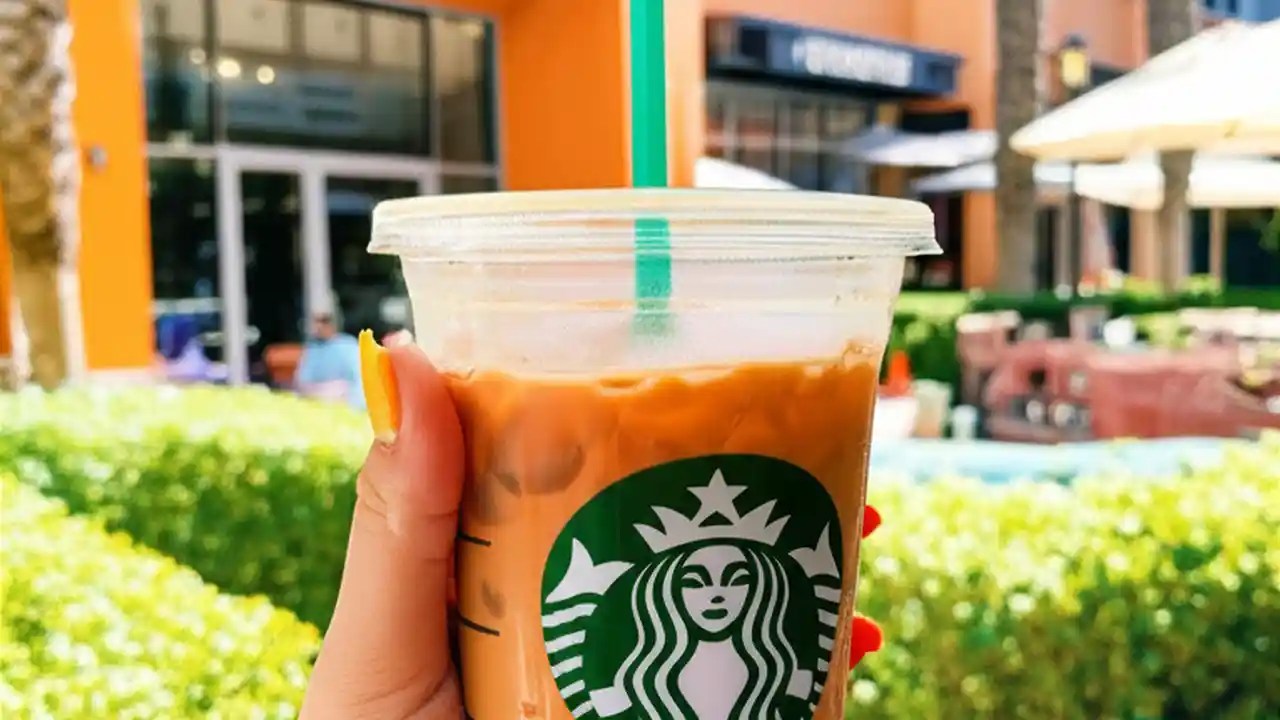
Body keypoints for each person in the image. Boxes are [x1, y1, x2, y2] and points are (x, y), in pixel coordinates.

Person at [300, 343, 884, 719]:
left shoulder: (780, 678)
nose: (715, 595)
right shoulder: (624, 686)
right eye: (694, 581)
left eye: (736, 579)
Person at [294, 313, 365, 410]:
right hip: (315, 402)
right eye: (316, 322)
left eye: (324, 321)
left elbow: (360, 380)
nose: (319, 326)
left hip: (345, 403)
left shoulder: (349, 346)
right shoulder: (312, 349)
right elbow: (302, 382)